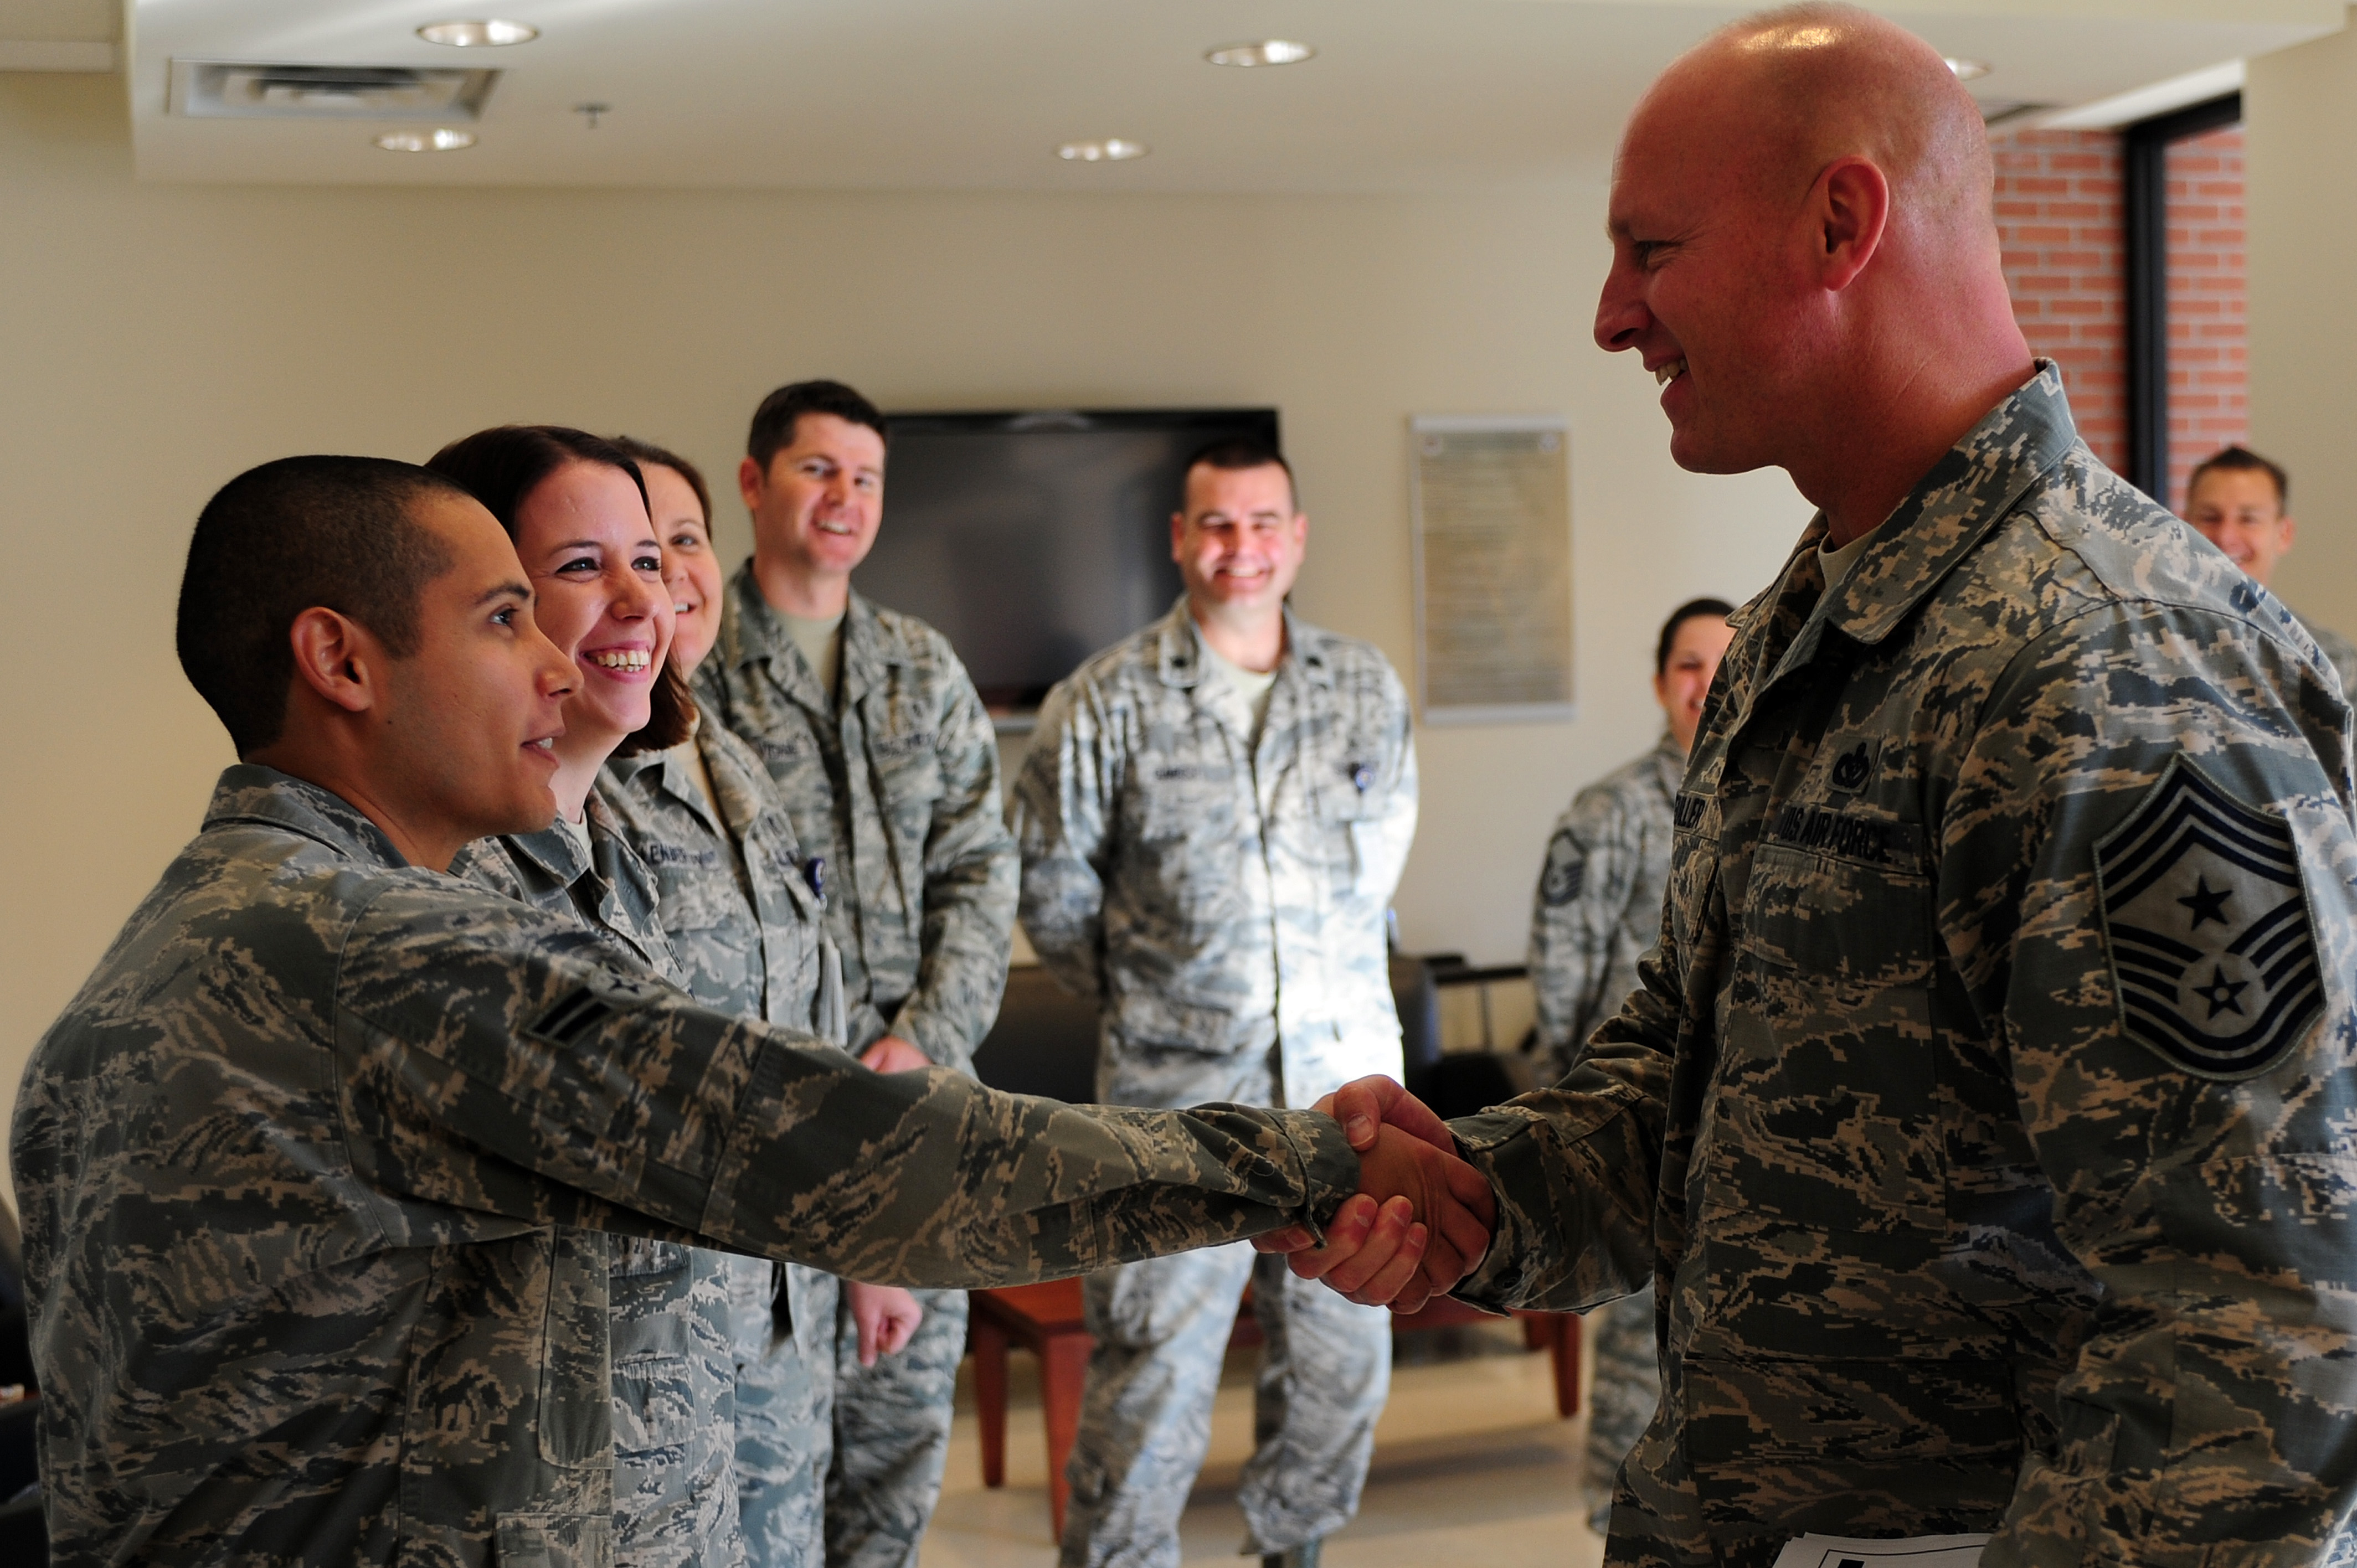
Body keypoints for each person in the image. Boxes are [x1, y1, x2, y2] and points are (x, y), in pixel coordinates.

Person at [1267, 7, 2357, 1566]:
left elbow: (2260, 1328)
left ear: (1841, 223)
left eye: (1652, 250)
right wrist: (1479, 1192)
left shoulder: (2117, 668)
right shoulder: (1813, 616)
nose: (1611, 316)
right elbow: (1704, 1081)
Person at [12, 454, 1495, 1566]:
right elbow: (854, 1152)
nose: (562, 662)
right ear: (340, 661)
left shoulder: (217, 927)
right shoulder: (363, 950)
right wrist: (1304, 1166)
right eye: (505, 617)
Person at [1012, 439, 1418, 1568]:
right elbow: (1049, 890)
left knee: (1341, 1371)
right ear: (1180, 540)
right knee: (1148, 1379)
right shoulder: (1105, 699)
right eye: (1217, 525)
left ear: (1297, 538)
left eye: (1263, 523)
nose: (1242, 548)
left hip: (1347, 1100)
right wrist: (1162, 1002)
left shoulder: (1362, 688)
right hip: (1173, 1106)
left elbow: (1378, 867)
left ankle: (1293, 1554)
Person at [689, 378, 1016, 1568]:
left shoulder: (921, 669)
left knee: (894, 1451)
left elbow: (981, 871)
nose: (845, 499)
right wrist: (835, 1081)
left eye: (866, 478)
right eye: (817, 470)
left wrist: (922, 1039)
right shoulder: (693, 676)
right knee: (758, 1463)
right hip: (768, 1127)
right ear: (752, 483)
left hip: (925, 1112)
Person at [600, 435, 924, 1567]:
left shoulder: (728, 768)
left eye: (680, 543)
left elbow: (810, 1038)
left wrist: (868, 1238)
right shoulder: (562, 794)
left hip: (782, 1319)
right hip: (653, 1350)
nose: (664, 580)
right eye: (619, 556)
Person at [426, 425, 741, 1567]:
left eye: (649, 562)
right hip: (526, 1519)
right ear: (489, 611)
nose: (637, 599)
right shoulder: (435, 888)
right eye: (579, 567)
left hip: (682, 1478)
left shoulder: (638, 851)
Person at [1524, 595, 1731, 1533]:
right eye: (1688, 665)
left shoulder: (1777, 792)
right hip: (1642, 1112)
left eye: (1727, 662)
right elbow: (1560, 971)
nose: (1708, 684)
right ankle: (1623, 1519)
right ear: (1659, 682)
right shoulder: (1607, 812)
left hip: (1750, 1125)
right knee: (1635, 1354)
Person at [2181, 444, 2357, 692]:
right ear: (2183, 528)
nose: (2225, 537)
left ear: (2284, 534)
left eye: (2249, 519)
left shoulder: (2333, 664)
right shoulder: (2143, 645)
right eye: (2210, 518)